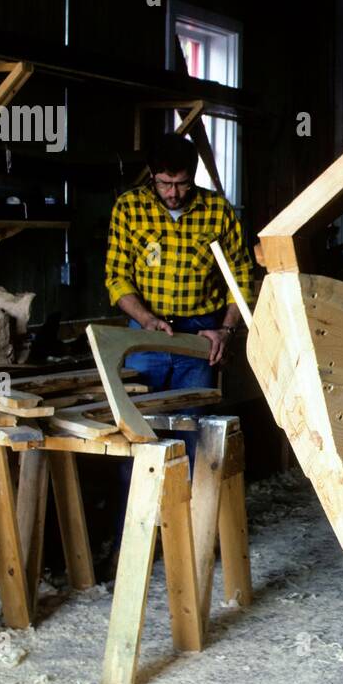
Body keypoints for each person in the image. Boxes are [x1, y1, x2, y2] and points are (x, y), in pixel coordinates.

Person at [102, 132, 255, 567]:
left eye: (182, 184)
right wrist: (146, 320)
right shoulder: (129, 208)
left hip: (199, 337)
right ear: (152, 176)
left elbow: (239, 279)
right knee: (141, 439)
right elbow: (116, 276)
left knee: (193, 442)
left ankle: (189, 549)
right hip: (145, 334)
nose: (173, 193)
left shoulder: (218, 211)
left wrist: (225, 331)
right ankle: (133, 547)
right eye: (165, 184)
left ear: (194, 176)